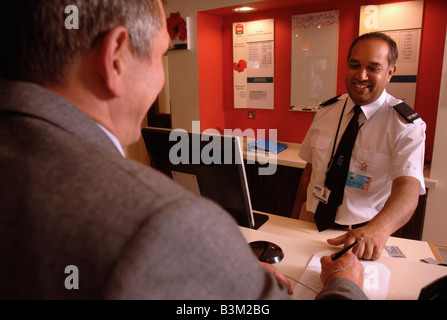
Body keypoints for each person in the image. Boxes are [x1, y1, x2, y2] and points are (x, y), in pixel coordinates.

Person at [0, 0, 364, 300]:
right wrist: (343, 286)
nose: (161, 77)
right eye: (161, 56)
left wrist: (211, 270)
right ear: (116, 58)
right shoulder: (163, 222)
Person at [293, 32, 426, 261]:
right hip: (308, 222)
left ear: (390, 72)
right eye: (354, 65)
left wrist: (380, 229)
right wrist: (294, 215)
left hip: (359, 236)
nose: (361, 75)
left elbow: (408, 189)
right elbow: (310, 171)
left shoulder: (405, 125)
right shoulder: (326, 111)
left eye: (373, 68)